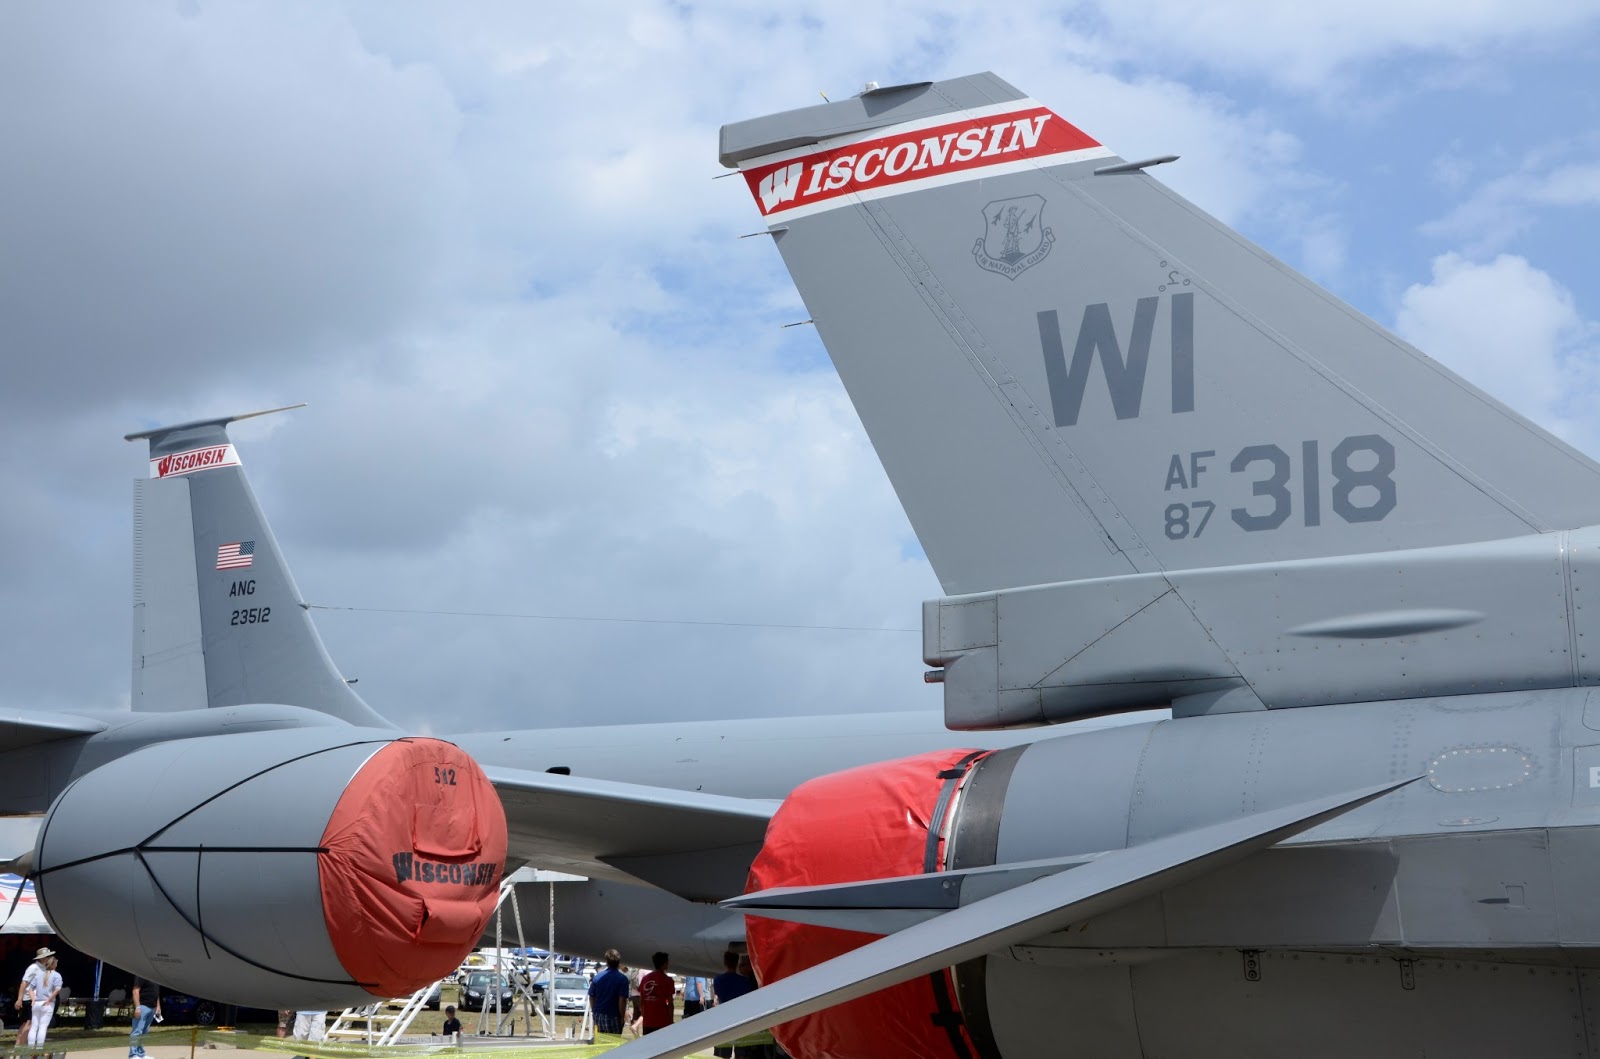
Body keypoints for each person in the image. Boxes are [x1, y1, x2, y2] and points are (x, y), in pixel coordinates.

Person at [711, 951, 754, 1059]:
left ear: (725, 962)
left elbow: (719, 994)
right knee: (741, 1052)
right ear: (737, 964)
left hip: (724, 1018)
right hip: (740, 1017)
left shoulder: (718, 980)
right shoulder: (744, 981)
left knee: (725, 1053)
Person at [13, 946, 51, 1047]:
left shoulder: (43, 968)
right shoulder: (34, 968)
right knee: (30, 1023)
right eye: (46, 956)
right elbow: (24, 983)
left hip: (34, 998)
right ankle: (21, 1046)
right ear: (41, 958)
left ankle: (18, 1046)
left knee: (27, 1023)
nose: (48, 958)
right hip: (30, 999)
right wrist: (19, 999)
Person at [586, 949, 628, 1035]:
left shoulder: (597, 977)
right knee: (614, 1043)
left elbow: (591, 997)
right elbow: (622, 1000)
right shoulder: (622, 979)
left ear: (606, 962)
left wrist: (594, 1011)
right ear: (619, 962)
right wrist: (622, 1016)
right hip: (613, 1015)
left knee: (599, 1043)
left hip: (598, 1014)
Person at [25, 953, 62, 1049]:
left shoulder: (39, 974)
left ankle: (30, 1047)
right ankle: (39, 1048)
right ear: (55, 965)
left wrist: (33, 999)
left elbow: (30, 989)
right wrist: (49, 998)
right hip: (47, 1003)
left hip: (37, 1002)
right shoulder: (57, 975)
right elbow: (57, 989)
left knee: (34, 1027)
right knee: (43, 1027)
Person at [638, 952, 675, 1035]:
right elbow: (670, 1004)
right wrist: (671, 1020)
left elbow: (641, 1000)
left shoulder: (645, 979)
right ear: (664, 964)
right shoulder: (668, 980)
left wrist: (644, 1015)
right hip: (662, 1021)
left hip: (648, 1021)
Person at [129, 974, 161, 1058]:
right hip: (142, 1007)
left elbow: (156, 993)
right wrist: (137, 1007)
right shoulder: (141, 974)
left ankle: (141, 1054)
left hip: (152, 1008)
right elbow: (135, 991)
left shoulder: (156, 976)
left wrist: (158, 1006)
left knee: (144, 1032)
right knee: (137, 1032)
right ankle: (133, 1055)